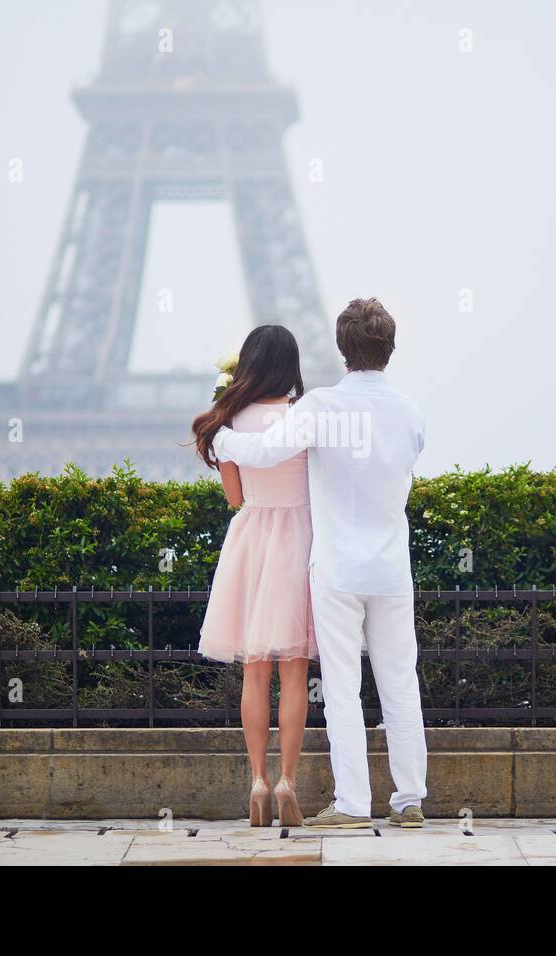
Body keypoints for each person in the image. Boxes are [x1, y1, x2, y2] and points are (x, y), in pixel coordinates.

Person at [212, 298, 427, 829]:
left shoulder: (321, 407)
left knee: (342, 688)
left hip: (336, 566)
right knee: (401, 682)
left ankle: (354, 803)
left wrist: (220, 434)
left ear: (341, 348)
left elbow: (262, 453)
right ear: (390, 349)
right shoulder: (410, 412)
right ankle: (410, 799)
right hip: (391, 568)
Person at [192, 325, 316, 828]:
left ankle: (257, 783)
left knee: (255, 668)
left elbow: (235, 500)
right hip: (298, 538)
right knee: (295, 670)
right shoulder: (301, 419)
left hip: (251, 541)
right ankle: (288, 779)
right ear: (290, 366)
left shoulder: (226, 421)